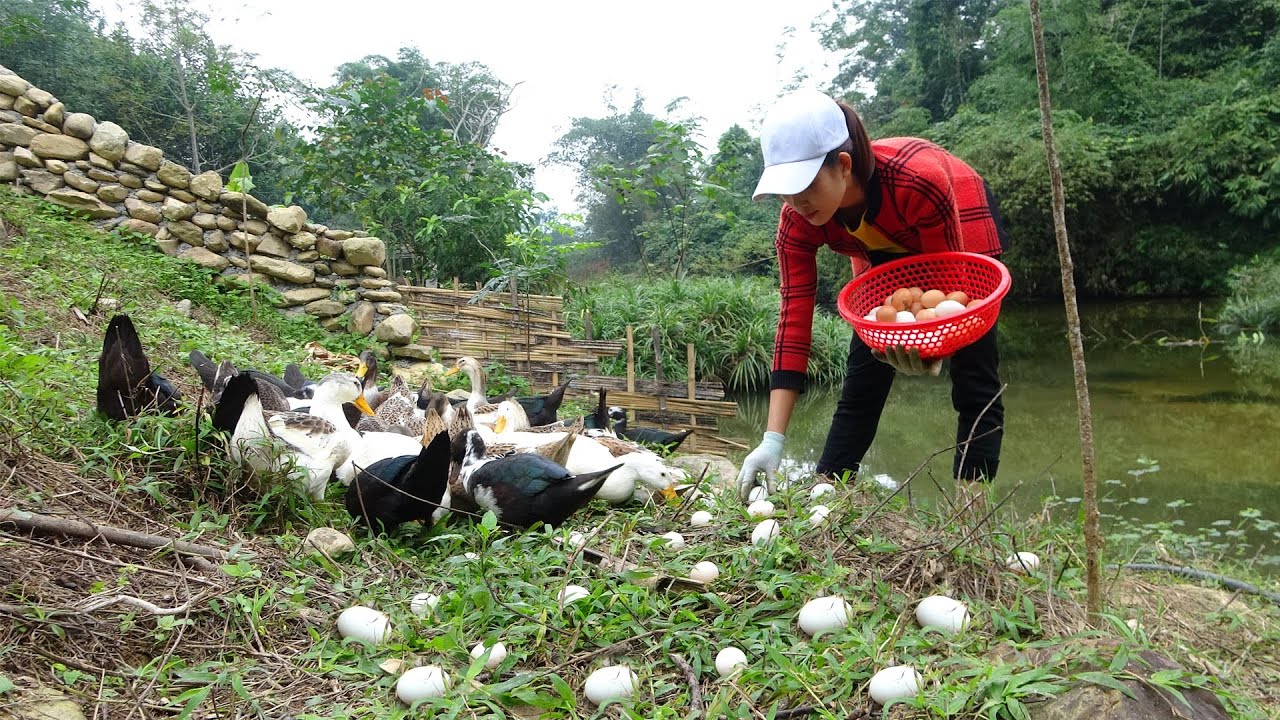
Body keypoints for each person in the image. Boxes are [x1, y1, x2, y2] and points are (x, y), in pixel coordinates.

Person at [736, 89, 1009, 502]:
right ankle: (828, 489)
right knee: (865, 370)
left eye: (804, 184)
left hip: (955, 218)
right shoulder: (799, 219)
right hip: (882, 240)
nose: (795, 202)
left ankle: (971, 507)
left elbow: (942, 300)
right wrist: (772, 439)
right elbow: (793, 321)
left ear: (843, 165)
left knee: (975, 374)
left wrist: (931, 346)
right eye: (785, 190)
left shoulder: (918, 181)